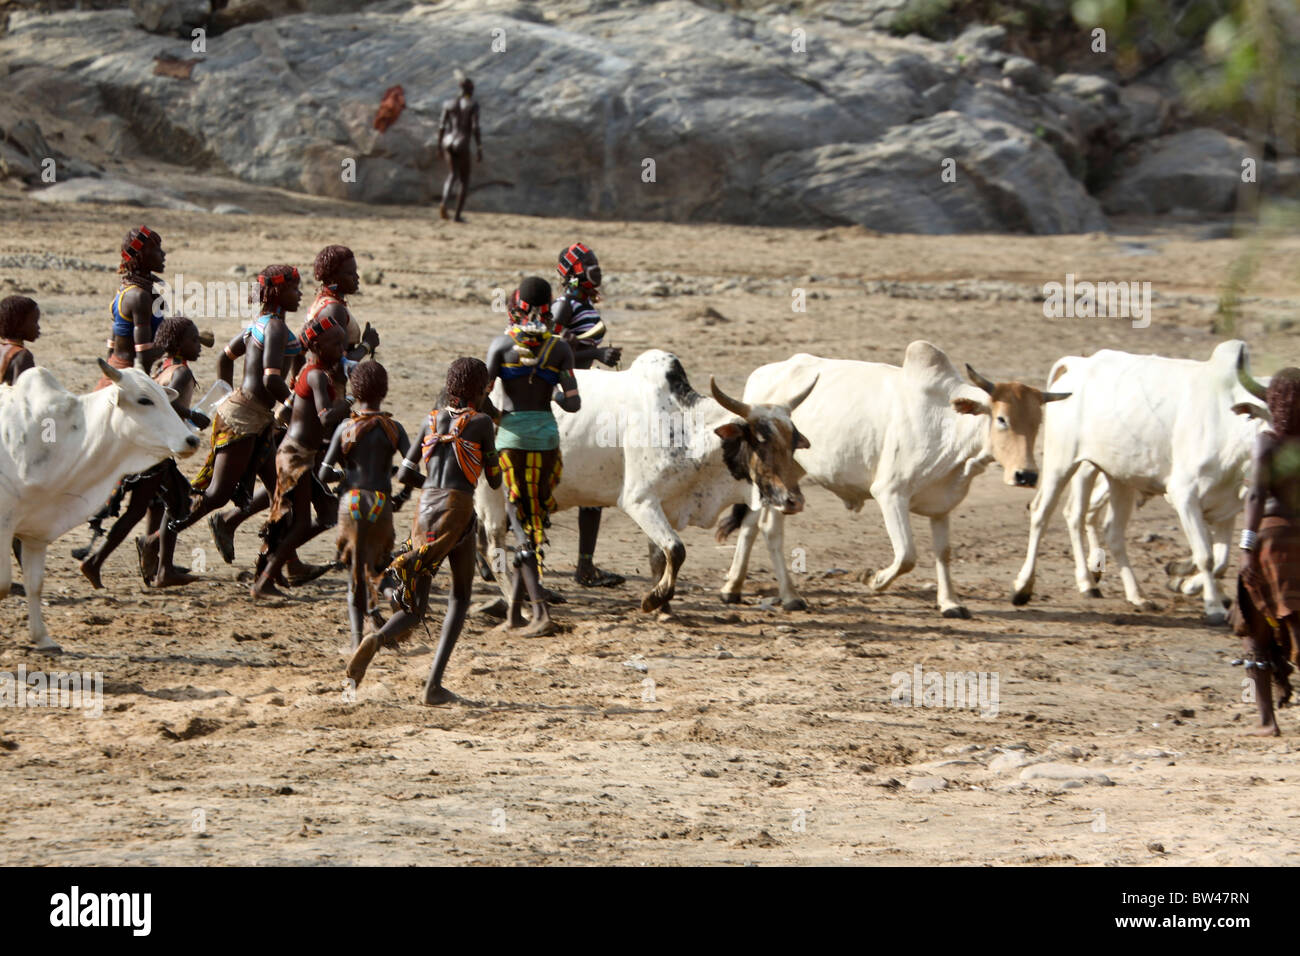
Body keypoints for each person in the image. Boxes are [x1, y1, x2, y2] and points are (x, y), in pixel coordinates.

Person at [205, 244, 378, 560]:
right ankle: (274, 551)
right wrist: (366, 346)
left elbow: (304, 351)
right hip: (324, 402)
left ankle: (270, 545)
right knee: (309, 477)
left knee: (297, 477)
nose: (357, 277)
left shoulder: (322, 303)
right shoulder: (334, 310)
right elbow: (334, 359)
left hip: (316, 396)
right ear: (335, 276)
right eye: (351, 272)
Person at [346, 357, 501, 704]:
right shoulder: (481, 423)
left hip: (424, 510)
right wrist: (487, 461)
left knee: (416, 608)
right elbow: (493, 479)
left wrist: (433, 484)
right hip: (457, 511)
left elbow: (403, 473)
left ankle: (377, 638)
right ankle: (433, 687)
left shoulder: (430, 420)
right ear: (480, 390)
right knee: (460, 598)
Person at [160, 265, 303, 583]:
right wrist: (297, 404)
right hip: (244, 418)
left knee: (281, 490)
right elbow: (271, 378)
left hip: (249, 415)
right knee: (216, 494)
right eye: (295, 288)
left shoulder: (259, 325)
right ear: (278, 293)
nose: (301, 294)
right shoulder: (275, 327)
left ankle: (277, 566)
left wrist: (226, 394)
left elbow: (224, 358)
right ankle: (158, 543)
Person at [80, 317, 211, 589]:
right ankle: (147, 567)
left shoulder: (159, 368)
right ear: (178, 344)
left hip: (148, 448)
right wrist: (193, 416)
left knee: (152, 506)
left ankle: (154, 563)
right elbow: (167, 409)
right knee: (175, 506)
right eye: (194, 340)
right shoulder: (182, 373)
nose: (199, 346)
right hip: (159, 452)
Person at [484, 276, 581, 637]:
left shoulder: (500, 346)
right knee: (535, 517)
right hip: (547, 440)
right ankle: (514, 613)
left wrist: (500, 418)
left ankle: (539, 611)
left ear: (517, 305)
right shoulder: (559, 349)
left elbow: (480, 396)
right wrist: (553, 397)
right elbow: (573, 403)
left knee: (519, 522)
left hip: (510, 442)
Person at [251, 313, 349, 598]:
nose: (342, 351)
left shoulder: (315, 373)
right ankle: (266, 577)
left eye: (343, 344)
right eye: (335, 344)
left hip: (300, 454)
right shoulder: (316, 375)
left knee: (310, 515)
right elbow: (327, 417)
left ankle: (271, 567)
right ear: (316, 348)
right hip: (296, 456)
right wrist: (349, 403)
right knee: (300, 521)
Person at [319, 360, 409, 648]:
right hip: (381, 502)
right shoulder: (393, 428)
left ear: (355, 391)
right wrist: (402, 497)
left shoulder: (347, 428)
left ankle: (358, 640)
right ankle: (392, 597)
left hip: (352, 502)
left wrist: (344, 475)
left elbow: (323, 473)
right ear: (384, 391)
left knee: (355, 575)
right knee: (382, 564)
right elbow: (411, 470)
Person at [550, 242, 624, 588]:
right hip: (566, 393)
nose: (597, 270)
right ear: (575, 272)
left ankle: (585, 566)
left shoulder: (579, 303)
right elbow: (551, 344)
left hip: (587, 391)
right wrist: (599, 351)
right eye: (590, 265)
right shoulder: (565, 305)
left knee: (594, 484)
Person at [1237, 366, 1300, 736]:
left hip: (1273, 540)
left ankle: (1266, 722)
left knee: (1254, 630)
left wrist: (1246, 548)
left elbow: (1257, 494)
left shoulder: (1267, 442)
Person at [97, 225, 165, 388]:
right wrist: (173, 344)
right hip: (128, 377)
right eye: (157, 250)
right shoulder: (138, 296)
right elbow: (143, 357)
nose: (163, 254)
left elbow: (113, 342)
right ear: (141, 256)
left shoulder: (128, 289)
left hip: (119, 370)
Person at [436, 76, 482, 223]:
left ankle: (443, 202)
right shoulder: (473, 104)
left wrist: (439, 145)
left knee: (452, 174)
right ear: (471, 90)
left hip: (448, 140)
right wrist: (479, 146)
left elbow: (442, 126)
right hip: (462, 141)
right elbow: (475, 127)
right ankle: (457, 215)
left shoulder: (448, 103)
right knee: (464, 179)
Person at [0, 295, 40, 385]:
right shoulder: (22, 355)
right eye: (35, 321)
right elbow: (21, 393)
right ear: (19, 324)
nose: (38, 327)